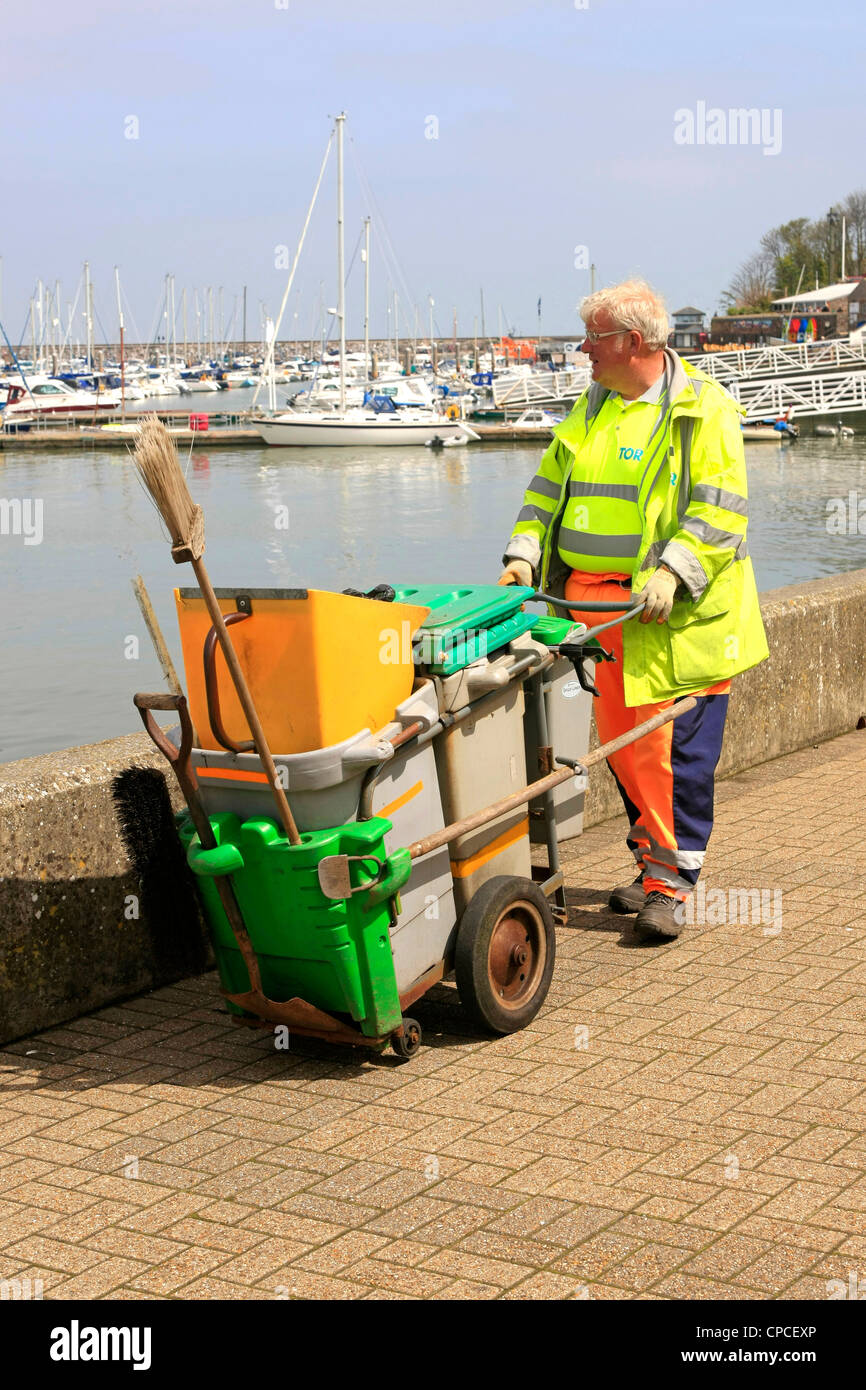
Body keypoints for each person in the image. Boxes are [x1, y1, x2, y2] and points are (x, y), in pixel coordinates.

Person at [499, 280, 769, 941]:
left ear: (635, 343)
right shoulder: (592, 408)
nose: (584, 349)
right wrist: (522, 555)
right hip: (601, 616)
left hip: (676, 622)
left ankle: (670, 889)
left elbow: (719, 508)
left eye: (594, 338)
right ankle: (653, 867)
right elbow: (546, 491)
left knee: (676, 759)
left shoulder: (703, 410)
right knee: (629, 755)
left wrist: (675, 574)